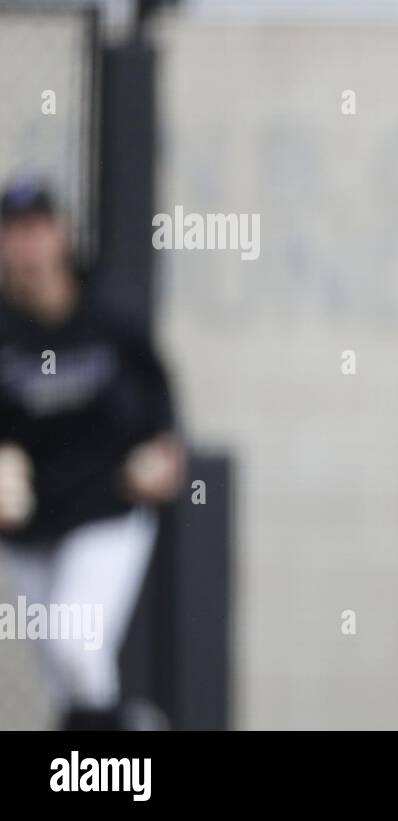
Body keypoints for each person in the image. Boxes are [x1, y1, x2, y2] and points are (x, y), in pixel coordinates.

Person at [0, 176, 185, 730]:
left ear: (61, 235)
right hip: (28, 528)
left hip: (108, 513)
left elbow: (161, 413)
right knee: (67, 683)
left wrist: (165, 461)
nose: (27, 245)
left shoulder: (108, 314)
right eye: (14, 232)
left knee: (76, 649)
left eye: (37, 229)